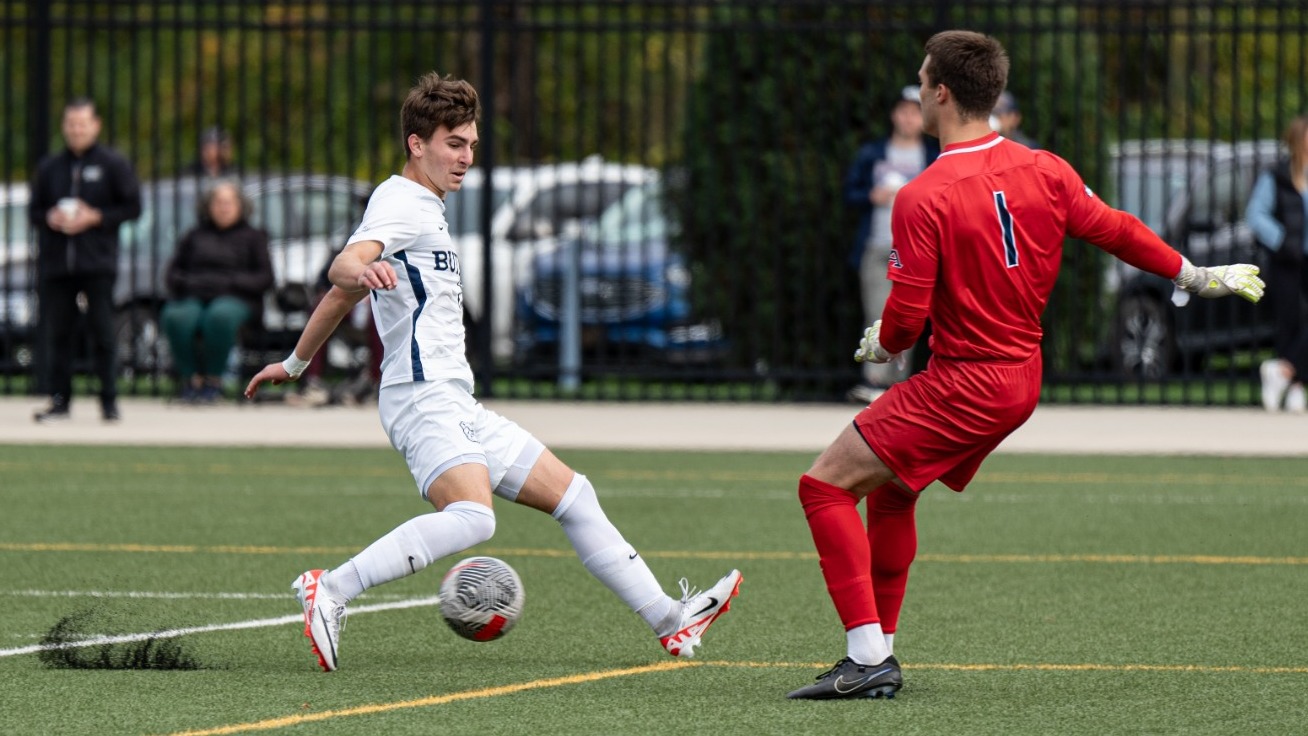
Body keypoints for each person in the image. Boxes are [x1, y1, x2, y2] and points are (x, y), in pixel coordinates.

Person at [786, 30, 1264, 701]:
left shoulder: (923, 195)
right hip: (1019, 379)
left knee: (825, 487)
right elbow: (1117, 227)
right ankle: (877, 651)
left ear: (942, 93)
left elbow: (906, 322)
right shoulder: (1046, 168)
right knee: (893, 492)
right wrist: (1195, 272)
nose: (918, 91)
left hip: (965, 381)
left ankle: (866, 660)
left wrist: (879, 340)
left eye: (923, 81)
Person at [244, 71, 741, 672]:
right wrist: (354, 270)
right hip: (422, 397)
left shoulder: (417, 205)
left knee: (575, 496)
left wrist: (296, 362)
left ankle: (670, 621)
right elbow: (344, 270)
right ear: (417, 143)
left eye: (472, 144)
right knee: (474, 517)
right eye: (454, 142)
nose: (466, 157)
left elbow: (342, 294)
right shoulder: (403, 201)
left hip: (455, 400)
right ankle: (331, 588)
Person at [30, 97, 142, 423]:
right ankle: (59, 400)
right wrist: (49, 217)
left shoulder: (113, 165)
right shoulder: (50, 167)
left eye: (83, 124)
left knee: (103, 332)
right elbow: (34, 211)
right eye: (71, 124)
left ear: (95, 125)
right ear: (64, 127)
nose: (77, 130)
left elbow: (132, 207)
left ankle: (109, 400)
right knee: (59, 333)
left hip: (97, 263)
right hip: (57, 263)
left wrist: (95, 217)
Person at [842, 85, 940, 402]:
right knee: (876, 313)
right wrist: (873, 196)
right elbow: (850, 194)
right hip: (878, 244)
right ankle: (874, 380)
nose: (908, 118)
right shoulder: (874, 153)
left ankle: (898, 384)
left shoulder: (932, 155)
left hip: (915, 249)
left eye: (914, 111)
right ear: (894, 115)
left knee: (909, 314)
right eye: (903, 111)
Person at [161, 179, 273, 403]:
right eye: (218, 202)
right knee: (177, 316)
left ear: (240, 205)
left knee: (219, 317)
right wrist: (193, 282)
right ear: (208, 206)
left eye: (229, 202)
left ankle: (214, 380)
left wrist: (231, 282)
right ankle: (191, 379)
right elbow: (172, 274)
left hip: (236, 297)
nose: (224, 207)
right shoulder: (194, 235)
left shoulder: (253, 236)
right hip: (195, 295)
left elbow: (265, 278)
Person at [1246, 115, 1308, 413]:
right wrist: (1282, 240)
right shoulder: (1278, 175)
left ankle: (1283, 372)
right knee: (1290, 320)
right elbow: (1255, 215)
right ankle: (1294, 385)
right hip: (1287, 259)